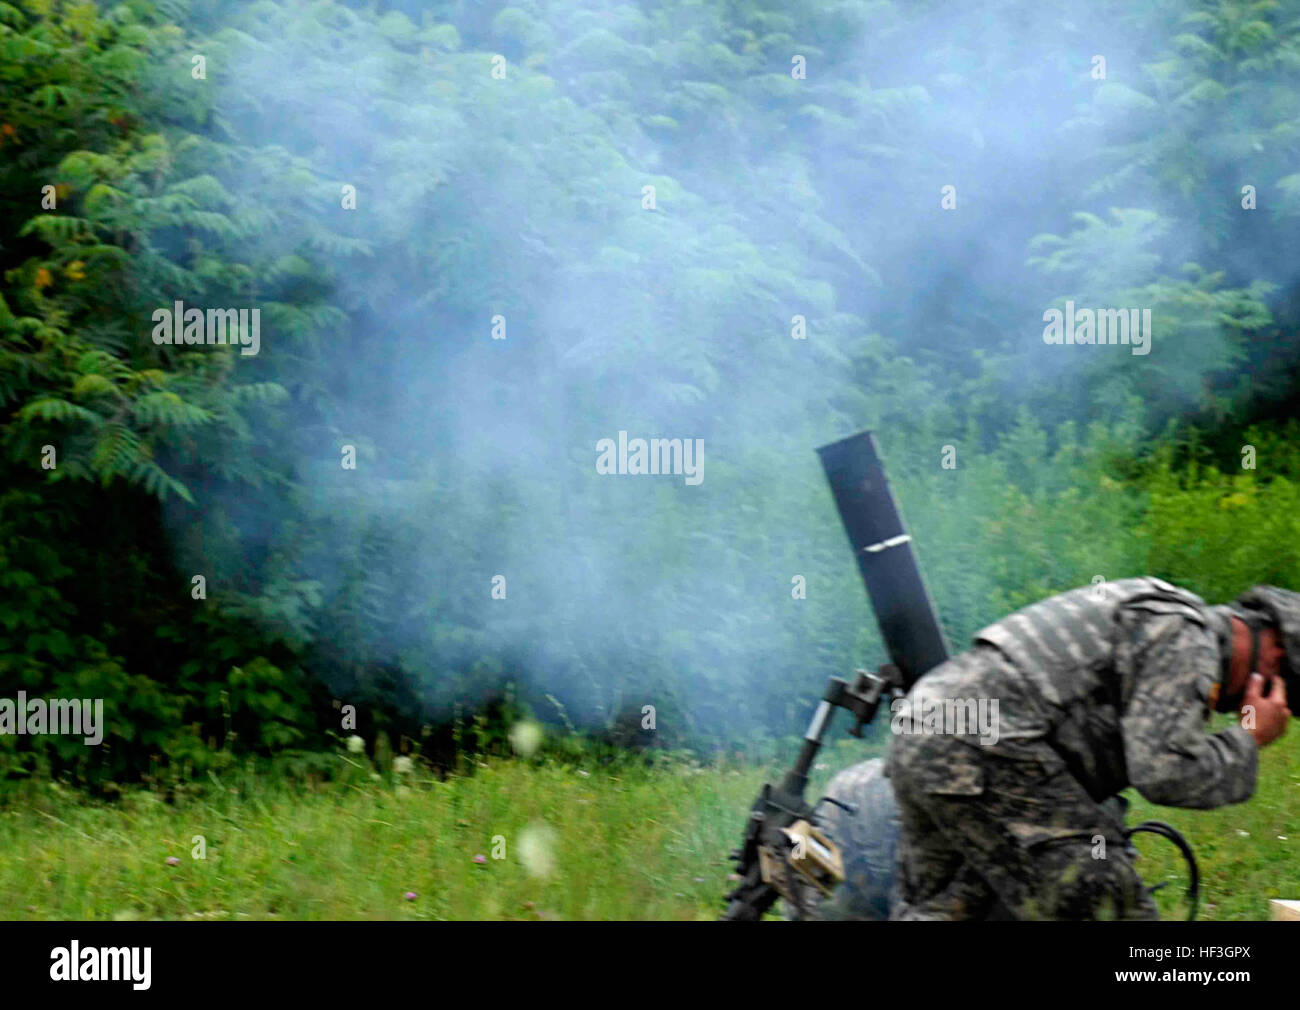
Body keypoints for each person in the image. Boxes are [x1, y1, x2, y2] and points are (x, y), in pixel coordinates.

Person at [885, 578, 1296, 920]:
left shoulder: (1168, 616)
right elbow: (1165, 773)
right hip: (983, 744)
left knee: (951, 907)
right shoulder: (1188, 639)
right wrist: (1249, 736)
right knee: (1110, 903)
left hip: (925, 730)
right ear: (1276, 653)